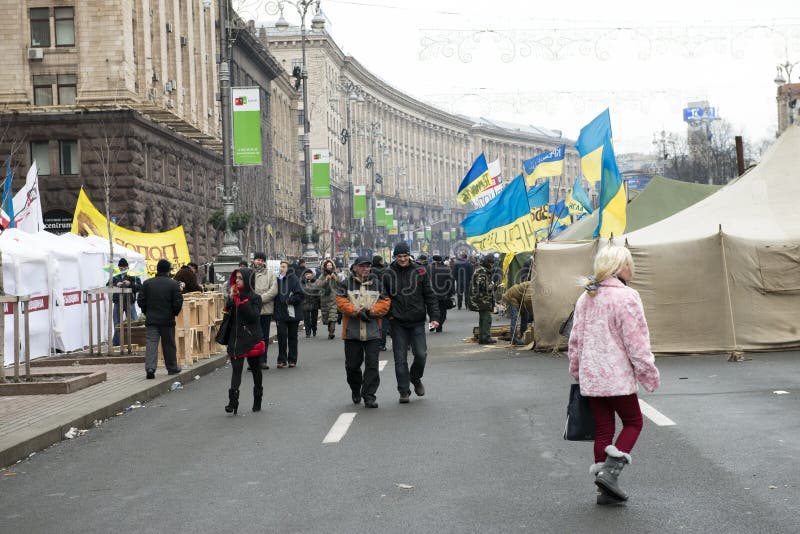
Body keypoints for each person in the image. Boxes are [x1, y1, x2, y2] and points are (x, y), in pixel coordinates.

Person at [568, 246, 660, 505]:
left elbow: (575, 341)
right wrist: (648, 374)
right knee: (634, 422)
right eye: (630, 264)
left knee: (604, 429)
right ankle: (610, 475)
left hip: (592, 377)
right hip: (617, 377)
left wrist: (576, 370)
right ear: (619, 267)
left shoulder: (586, 297)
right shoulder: (627, 297)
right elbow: (636, 342)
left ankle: (604, 490)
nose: (633, 269)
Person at [382, 241, 439, 404]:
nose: (402, 259)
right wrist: (387, 317)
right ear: (394, 257)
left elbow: (430, 295)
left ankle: (415, 378)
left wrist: (434, 317)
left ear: (409, 256)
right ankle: (404, 390)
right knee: (400, 359)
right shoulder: (387, 274)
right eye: (399, 256)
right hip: (397, 322)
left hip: (417, 321)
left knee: (421, 354)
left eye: (405, 256)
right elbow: (383, 298)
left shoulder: (420, 271)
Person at [335, 256, 391, 408]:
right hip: (352, 333)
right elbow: (340, 302)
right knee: (352, 366)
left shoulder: (378, 284)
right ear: (355, 268)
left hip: (373, 332)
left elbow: (385, 303)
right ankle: (355, 389)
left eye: (368, 266)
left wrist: (372, 312)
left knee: (372, 365)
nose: (366, 268)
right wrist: (356, 311)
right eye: (362, 266)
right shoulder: (345, 284)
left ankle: (369, 395)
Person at [223, 268, 265, 415]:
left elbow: (253, 316)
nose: (237, 281)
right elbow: (228, 317)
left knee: (255, 371)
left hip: (251, 339)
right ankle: (232, 402)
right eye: (236, 278)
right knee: (236, 370)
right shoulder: (233, 296)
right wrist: (230, 303)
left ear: (247, 280)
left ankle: (257, 399)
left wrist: (241, 301)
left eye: (240, 278)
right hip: (236, 340)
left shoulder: (255, 298)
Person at [137, 259, 183, 379]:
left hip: (152, 319)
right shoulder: (173, 284)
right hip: (167, 320)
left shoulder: (147, 283)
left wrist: (146, 312)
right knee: (169, 344)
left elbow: (141, 300)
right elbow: (178, 302)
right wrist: (173, 313)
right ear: (168, 270)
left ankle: (150, 368)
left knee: (151, 343)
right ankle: (172, 368)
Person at [274, 260, 304, 368]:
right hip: (280, 313)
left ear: (288, 268)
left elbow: (300, 295)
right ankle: (281, 359)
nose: (281, 269)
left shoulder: (294, 279)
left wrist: (289, 300)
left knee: (292, 337)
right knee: (281, 337)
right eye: (280, 267)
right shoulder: (276, 279)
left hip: (292, 313)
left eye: (283, 267)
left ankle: (292, 359)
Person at [253, 252, 278, 369]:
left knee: (264, 336)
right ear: (254, 260)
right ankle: (253, 361)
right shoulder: (249, 274)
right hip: (251, 309)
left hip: (265, 310)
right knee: (252, 336)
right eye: (257, 259)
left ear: (264, 262)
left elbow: (273, 290)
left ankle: (263, 360)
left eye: (261, 260)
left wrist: (260, 299)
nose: (259, 262)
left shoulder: (271, 274)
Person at [112, 258, 142, 346]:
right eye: (120, 268)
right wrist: (115, 284)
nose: (122, 270)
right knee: (117, 323)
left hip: (130, 303)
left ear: (128, 267)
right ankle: (117, 342)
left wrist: (130, 284)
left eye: (124, 268)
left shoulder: (134, 277)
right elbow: (108, 285)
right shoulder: (115, 277)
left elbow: (140, 288)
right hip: (118, 302)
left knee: (134, 322)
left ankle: (135, 341)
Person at [469, 255, 496, 344]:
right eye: (491, 263)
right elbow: (483, 286)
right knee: (486, 318)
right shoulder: (482, 271)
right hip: (482, 299)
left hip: (481, 299)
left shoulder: (480, 269)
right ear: (488, 263)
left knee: (483, 318)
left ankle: (482, 337)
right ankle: (486, 338)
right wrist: (493, 286)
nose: (492, 265)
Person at [314, 258, 340, 339]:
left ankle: (331, 332)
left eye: (330, 265)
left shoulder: (335, 274)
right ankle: (330, 328)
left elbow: (341, 284)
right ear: (325, 267)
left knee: (333, 316)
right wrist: (326, 280)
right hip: (325, 299)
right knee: (327, 317)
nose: (329, 266)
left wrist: (335, 278)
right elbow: (317, 285)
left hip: (334, 299)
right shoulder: (322, 276)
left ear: (333, 266)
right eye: (328, 265)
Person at [429, 255, 454, 332]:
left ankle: (432, 325)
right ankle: (439, 326)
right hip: (443, 294)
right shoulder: (446, 269)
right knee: (442, 311)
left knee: (432, 310)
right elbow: (450, 282)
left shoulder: (428, 269)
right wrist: (450, 293)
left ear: (433, 260)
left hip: (431, 294)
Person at [501, 281, 532, 345]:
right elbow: (527, 299)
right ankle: (514, 339)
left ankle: (523, 335)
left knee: (525, 315)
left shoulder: (535, 287)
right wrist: (531, 311)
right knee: (515, 317)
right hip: (512, 296)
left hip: (520, 299)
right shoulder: (532, 286)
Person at [371, 255, 390, 350]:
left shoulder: (370, 271)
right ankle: (382, 344)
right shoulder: (386, 271)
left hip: (372, 298)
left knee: (374, 321)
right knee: (384, 322)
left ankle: (375, 342)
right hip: (384, 296)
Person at [301, 269, 320, 337]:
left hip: (314, 302)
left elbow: (319, 292)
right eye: (306, 274)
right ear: (304, 275)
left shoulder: (317, 282)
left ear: (312, 274)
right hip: (305, 303)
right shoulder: (302, 283)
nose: (308, 275)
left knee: (314, 319)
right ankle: (308, 333)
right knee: (306, 319)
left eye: (309, 274)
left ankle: (314, 330)